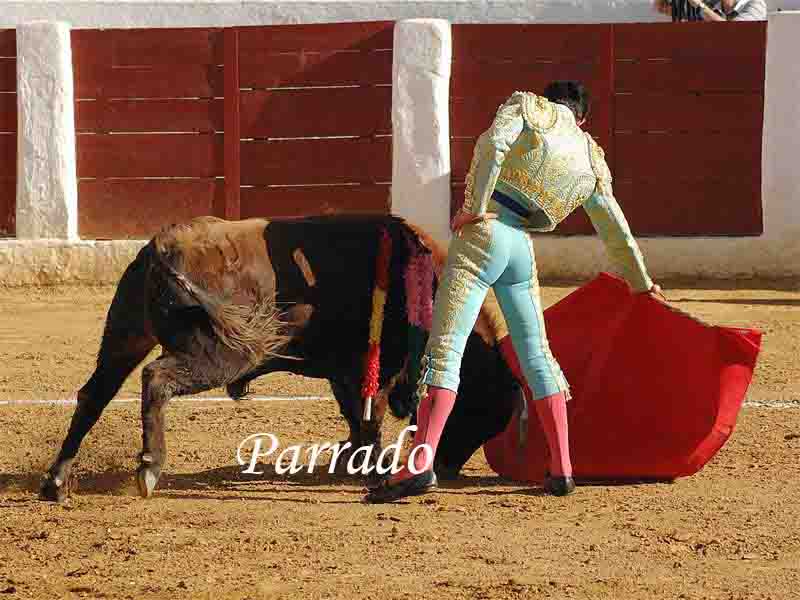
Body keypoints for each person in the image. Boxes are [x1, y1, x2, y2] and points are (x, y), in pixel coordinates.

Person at [365, 81, 662, 504]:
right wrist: (642, 284)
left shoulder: (528, 107)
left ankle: (420, 465)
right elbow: (617, 231)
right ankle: (562, 469)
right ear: (582, 118)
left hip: (484, 232)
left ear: (549, 100)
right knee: (538, 355)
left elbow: (492, 148)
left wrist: (475, 206)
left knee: (445, 348)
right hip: (521, 247)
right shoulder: (591, 157)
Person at [654, 0, 767, 21]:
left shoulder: (755, 3)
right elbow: (662, 7)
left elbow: (734, 34)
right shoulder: (711, 4)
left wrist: (699, 6)